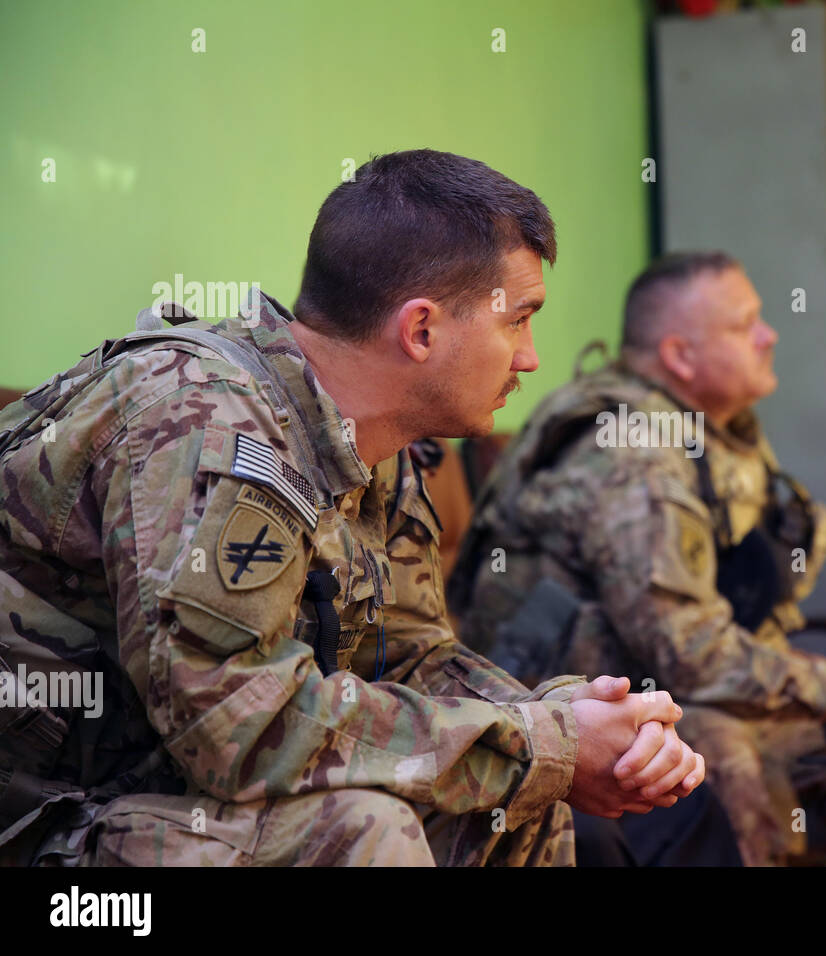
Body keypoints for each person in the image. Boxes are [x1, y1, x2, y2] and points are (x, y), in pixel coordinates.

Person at [0, 150, 705, 867]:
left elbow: (412, 657)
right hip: (47, 823)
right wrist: (544, 744)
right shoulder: (207, 424)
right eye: (518, 321)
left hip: (163, 792)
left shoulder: (372, 440)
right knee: (363, 827)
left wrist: (569, 719)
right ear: (421, 330)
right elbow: (236, 730)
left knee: (514, 804)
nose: (529, 359)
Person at [449, 251, 826, 866]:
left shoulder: (709, 429)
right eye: (745, 326)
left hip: (657, 686)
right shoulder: (632, 451)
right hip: (562, 703)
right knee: (723, 751)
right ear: (679, 356)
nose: (769, 336)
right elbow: (691, 656)